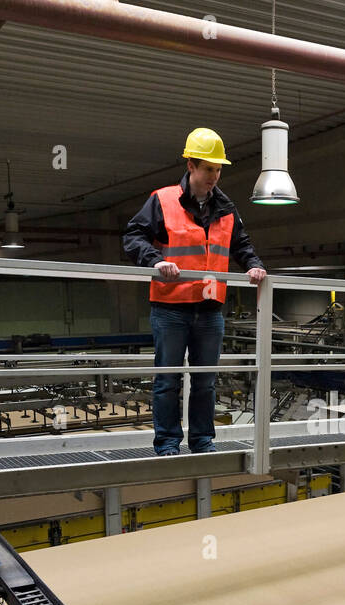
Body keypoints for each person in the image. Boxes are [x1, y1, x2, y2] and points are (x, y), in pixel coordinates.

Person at [123, 128, 267, 455]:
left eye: (218, 170)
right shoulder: (162, 200)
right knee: (167, 381)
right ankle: (167, 445)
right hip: (170, 307)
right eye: (208, 169)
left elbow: (241, 246)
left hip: (210, 308)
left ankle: (202, 442)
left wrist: (254, 266)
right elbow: (133, 237)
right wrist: (155, 261)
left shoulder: (226, 207)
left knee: (206, 381)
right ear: (191, 166)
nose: (214, 176)